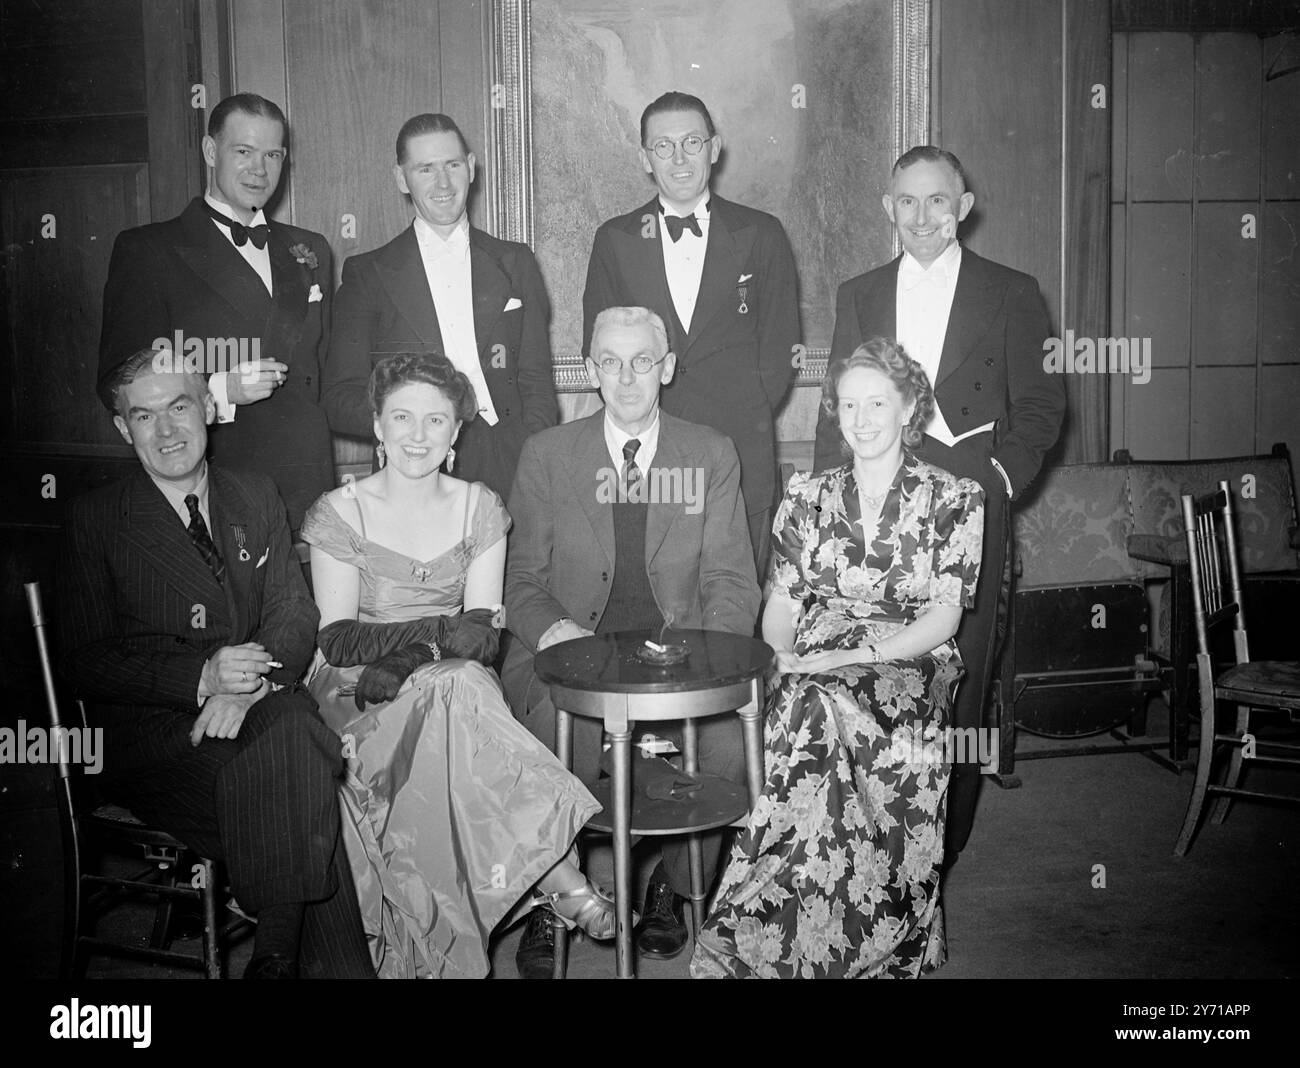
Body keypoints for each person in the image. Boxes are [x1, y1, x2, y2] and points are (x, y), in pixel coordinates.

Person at [59, 351, 372, 978]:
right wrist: (201, 679)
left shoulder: (254, 494)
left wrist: (246, 686)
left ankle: (274, 960)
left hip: (258, 714)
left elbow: (292, 612)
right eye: (143, 417)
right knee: (301, 789)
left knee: (288, 736)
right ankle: (283, 955)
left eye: (178, 407)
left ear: (207, 406)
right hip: (158, 741)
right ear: (124, 430)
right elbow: (84, 661)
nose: (166, 431)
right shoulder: (97, 519)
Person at [301, 353, 611, 979]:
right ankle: (559, 871)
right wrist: (442, 635)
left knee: (460, 684)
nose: (418, 435)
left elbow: (485, 636)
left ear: (456, 433)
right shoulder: (341, 510)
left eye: (435, 420)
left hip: (447, 686)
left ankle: (449, 942)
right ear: (378, 427)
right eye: (403, 418)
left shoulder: (479, 507)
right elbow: (337, 641)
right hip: (357, 693)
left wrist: (421, 650)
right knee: (461, 686)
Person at [693, 339, 985, 979]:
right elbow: (782, 601)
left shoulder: (956, 496)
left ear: (909, 408)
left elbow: (945, 617)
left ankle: (872, 938)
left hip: (912, 656)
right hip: (816, 653)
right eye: (848, 405)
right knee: (801, 697)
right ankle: (785, 936)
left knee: (821, 701)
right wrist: (780, 656)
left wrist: (855, 655)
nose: (862, 419)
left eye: (877, 402)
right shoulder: (807, 494)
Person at [812, 147, 1065, 859]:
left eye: (938, 201)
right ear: (887, 207)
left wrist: (999, 484)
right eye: (908, 202)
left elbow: (1043, 406)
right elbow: (839, 409)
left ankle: (937, 861)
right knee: (878, 679)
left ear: (965, 205)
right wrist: (827, 519)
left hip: (969, 515)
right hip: (876, 517)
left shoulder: (1013, 291)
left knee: (963, 685)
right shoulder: (857, 293)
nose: (923, 217)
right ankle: (874, 853)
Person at [504, 306, 761, 976]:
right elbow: (522, 585)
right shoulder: (548, 455)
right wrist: (569, 648)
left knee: (728, 745)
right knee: (554, 739)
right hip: (569, 667)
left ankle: (669, 888)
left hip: (675, 664)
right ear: (589, 370)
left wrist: (695, 672)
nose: (626, 377)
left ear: (666, 368)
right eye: (610, 362)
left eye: (641, 361)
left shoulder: (709, 453)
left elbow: (733, 583)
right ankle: (549, 897)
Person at [582, 91, 800, 574]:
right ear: (644, 158)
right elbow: (597, 351)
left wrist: (746, 408)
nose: (679, 158)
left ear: (714, 148)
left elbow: (782, 346)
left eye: (691, 143)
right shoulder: (615, 240)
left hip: (742, 446)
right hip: (652, 449)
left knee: (738, 603)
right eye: (663, 147)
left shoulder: (761, 233)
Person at [99, 93, 335, 534]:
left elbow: (329, 366)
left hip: (306, 482)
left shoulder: (311, 248)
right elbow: (118, 379)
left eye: (273, 155)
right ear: (211, 151)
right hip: (214, 478)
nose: (259, 169)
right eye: (243, 152)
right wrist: (219, 389)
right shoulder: (148, 250)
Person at [321, 113, 557, 500]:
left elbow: (536, 381)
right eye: (425, 169)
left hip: (510, 461)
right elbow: (339, 397)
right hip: (412, 468)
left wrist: (526, 447)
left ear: (471, 167)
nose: (443, 182)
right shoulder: (368, 274)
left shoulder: (516, 261)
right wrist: (411, 431)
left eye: (452, 165)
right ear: (402, 179)